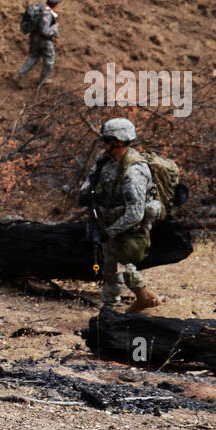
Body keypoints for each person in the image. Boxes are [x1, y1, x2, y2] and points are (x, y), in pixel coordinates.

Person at [78, 117, 162, 312]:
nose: (104, 144)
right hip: (107, 220)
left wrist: (111, 231)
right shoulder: (104, 161)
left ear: (120, 142)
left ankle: (110, 308)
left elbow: (135, 212)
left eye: (107, 140)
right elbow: (90, 181)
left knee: (114, 263)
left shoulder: (134, 172)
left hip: (128, 225)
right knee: (114, 263)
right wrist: (86, 196)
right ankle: (141, 297)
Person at [15, 0, 61, 84]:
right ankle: (44, 79)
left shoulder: (39, 7)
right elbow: (45, 31)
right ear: (55, 3)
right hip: (44, 40)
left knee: (34, 56)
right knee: (49, 59)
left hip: (34, 37)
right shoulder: (47, 14)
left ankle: (19, 75)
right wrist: (54, 28)